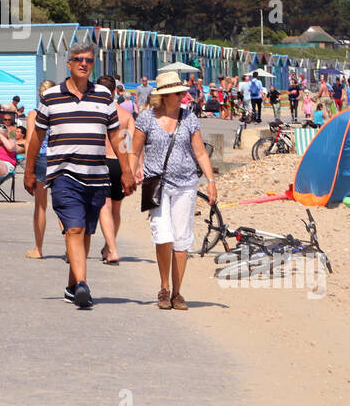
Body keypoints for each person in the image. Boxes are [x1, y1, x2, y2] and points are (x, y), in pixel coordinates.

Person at [22, 43, 135, 309]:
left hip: (96, 175)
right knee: (74, 227)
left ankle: (73, 285)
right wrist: (29, 171)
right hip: (63, 174)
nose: (84, 64)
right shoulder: (50, 97)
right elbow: (36, 137)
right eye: (79, 60)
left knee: (85, 233)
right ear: (69, 64)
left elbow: (117, 136)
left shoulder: (104, 96)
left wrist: (128, 169)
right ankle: (83, 285)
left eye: (89, 60)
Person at [131, 71, 216, 311]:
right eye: (179, 93)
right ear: (166, 95)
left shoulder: (189, 118)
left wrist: (210, 180)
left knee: (182, 238)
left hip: (186, 184)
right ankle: (164, 286)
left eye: (183, 92)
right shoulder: (146, 118)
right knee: (163, 235)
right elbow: (134, 149)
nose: (183, 96)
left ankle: (177, 292)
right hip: (156, 184)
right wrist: (132, 171)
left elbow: (200, 152)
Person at [96, 74, 133, 264]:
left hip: (101, 162)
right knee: (116, 209)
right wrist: (133, 170)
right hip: (119, 163)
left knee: (104, 206)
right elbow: (129, 145)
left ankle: (112, 249)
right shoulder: (126, 115)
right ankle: (108, 246)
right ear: (113, 91)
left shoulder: (94, 113)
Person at [24, 80, 56, 259]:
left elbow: (30, 140)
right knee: (62, 205)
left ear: (39, 94)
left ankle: (38, 248)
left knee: (40, 206)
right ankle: (70, 247)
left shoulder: (34, 114)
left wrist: (29, 167)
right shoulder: (60, 112)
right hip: (58, 158)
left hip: (41, 158)